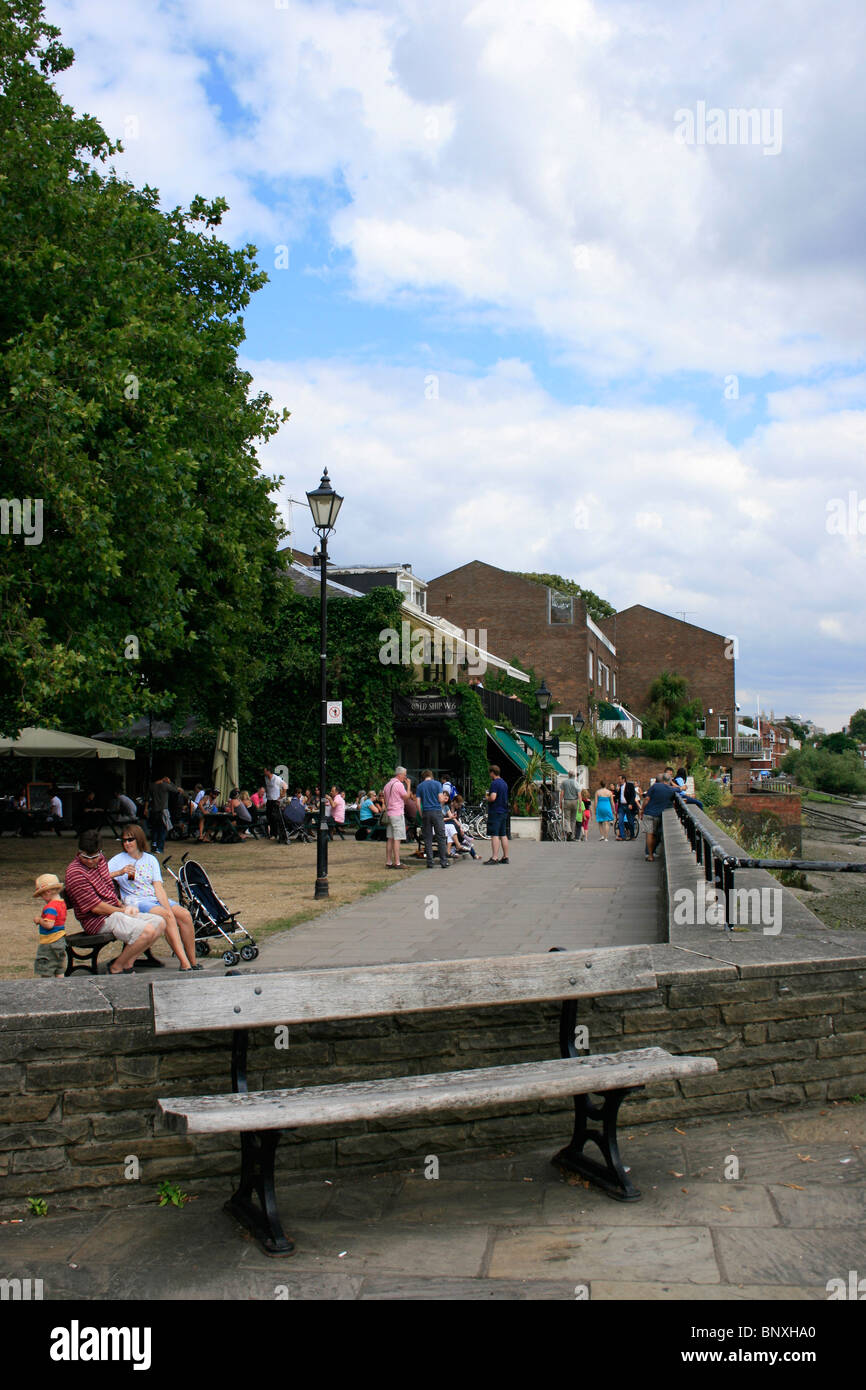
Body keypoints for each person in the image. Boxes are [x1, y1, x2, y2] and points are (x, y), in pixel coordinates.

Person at [64, 830, 165, 974]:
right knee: (147, 930)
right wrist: (123, 911)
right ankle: (116, 967)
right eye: (86, 857)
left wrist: (122, 905)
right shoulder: (75, 873)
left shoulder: (101, 860)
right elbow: (96, 908)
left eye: (95, 856)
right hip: (97, 921)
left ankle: (127, 963)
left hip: (113, 912)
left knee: (159, 923)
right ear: (79, 852)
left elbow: (109, 889)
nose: (92, 861)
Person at [107, 824, 202, 971]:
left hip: (152, 897)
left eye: (130, 840)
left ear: (138, 839)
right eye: (124, 840)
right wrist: (119, 872)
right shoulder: (117, 860)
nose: (127, 843)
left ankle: (193, 961)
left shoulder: (150, 859)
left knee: (184, 915)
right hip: (135, 901)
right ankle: (185, 963)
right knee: (166, 916)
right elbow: (99, 877)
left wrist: (167, 906)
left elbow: (158, 887)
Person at [641, 771, 681, 863]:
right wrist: (673, 784)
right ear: (669, 780)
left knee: (649, 834)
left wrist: (642, 809)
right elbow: (679, 789)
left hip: (648, 813)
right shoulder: (670, 789)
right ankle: (653, 851)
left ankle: (650, 855)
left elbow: (647, 799)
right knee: (655, 834)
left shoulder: (655, 786)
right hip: (658, 814)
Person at [32, 872, 67, 977]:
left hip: (50, 942)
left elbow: (49, 925)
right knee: (59, 968)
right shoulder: (61, 903)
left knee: (46, 968)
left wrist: (39, 920)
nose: (42, 898)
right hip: (60, 940)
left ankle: (46, 989)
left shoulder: (50, 907)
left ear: (47, 892)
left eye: (42, 895)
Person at [417, 769, 449, 868]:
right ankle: (443, 861)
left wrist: (421, 813)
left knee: (428, 837)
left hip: (426, 812)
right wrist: (444, 799)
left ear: (423, 777)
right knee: (441, 836)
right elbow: (440, 798)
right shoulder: (437, 784)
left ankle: (430, 862)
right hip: (436, 812)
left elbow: (418, 802)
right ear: (432, 776)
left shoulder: (420, 786)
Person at [381, 766, 411, 868]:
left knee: (390, 838)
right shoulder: (399, 785)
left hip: (389, 813)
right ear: (400, 774)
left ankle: (388, 861)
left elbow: (385, 798)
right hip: (397, 813)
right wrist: (409, 785)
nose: (405, 777)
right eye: (404, 775)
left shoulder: (387, 785)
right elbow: (406, 797)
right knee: (397, 838)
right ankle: (397, 862)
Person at [147, 775, 182, 854]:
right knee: (162, 830)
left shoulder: (152, 786)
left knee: (155, 829)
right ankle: (160, 848)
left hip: (154, 810)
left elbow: (148, 796)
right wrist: (170, 783)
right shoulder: (165, 786)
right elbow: (176, 790)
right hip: (163, 810)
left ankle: (154, 846)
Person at [485, 764, 509, 865]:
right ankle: (505, 856)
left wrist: (487, 798)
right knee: (503, 834)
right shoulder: (504, 783)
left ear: (492, 773)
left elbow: (493, 797)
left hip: (495, 811)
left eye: (490, 773)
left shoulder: (494, 783)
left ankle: (494, 857)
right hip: (504, 811)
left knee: (494, 834)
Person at [263, 767, 288, 841]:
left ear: (268, 771)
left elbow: (285, 786)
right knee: (269, 817)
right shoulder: (266, 778)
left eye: (265, 771)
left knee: (275, 817)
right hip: (269, 800)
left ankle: (276, 834)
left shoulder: (277, 778)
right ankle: (272, 833)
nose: (264, 772)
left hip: (275, 800)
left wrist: (282, 795)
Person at [559, 773, 581, 841]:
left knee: (567, 818)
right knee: (573, 819)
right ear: (574, 776)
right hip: (575, 801)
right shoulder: (577, 783)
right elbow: (579, 795)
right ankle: (572, 836)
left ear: (568, 775)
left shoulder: (564, 782)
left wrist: (560, 802)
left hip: (567, 801)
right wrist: (580, 805)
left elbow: (562, 793)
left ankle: (569, 831)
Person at [615, 775, 638, 839]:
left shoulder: (630, 785)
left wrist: (631, 804)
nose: (618, 781)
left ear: (623, 779)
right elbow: (617, 797)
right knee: (620, 821)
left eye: (619, 779)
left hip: (628, 805)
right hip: (621, 806)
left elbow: (633, 795)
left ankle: (632, 835)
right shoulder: (619, 787)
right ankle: (622, 836)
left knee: (630, 821)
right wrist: (617, 791)